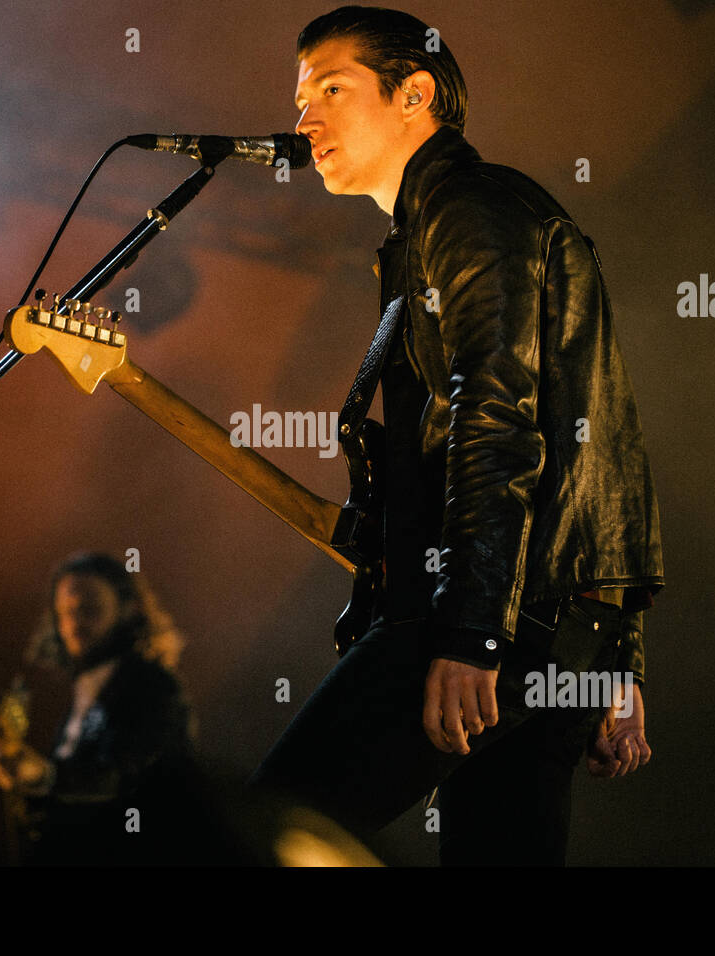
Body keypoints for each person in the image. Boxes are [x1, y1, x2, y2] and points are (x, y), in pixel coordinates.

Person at [249, 6, 666, 865]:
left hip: (499, 625)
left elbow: (498, 418)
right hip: (553, 635)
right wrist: (614, 657)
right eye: (300, 99)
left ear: (416, 93)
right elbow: (596, 442)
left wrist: (470, 634)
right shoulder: (442, 223)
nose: (304, 120)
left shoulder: (467, 210)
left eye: (332, 88)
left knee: (261, 831)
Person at [0, 552, 197, 865]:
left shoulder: (153, 687)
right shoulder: (86, 692)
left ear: (128, 609)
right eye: (65, 611)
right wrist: (30, 784)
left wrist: (45, 775)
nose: (74, 622)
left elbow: (131, 777)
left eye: (90, 608)